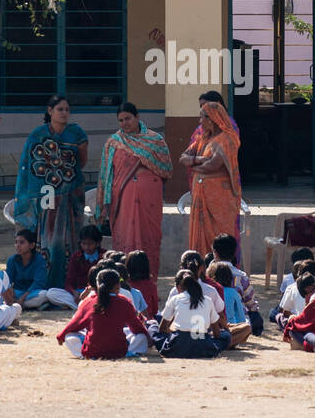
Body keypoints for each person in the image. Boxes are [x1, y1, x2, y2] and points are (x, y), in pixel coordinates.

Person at [94, 102, 172, 290]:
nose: (124, 123)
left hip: (149, 201)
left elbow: (166, 169)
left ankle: (149, 284)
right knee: (126, 238)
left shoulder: (155, 140)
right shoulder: (113, 142)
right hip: (122, 201)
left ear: (137, 117)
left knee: (149, 238)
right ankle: (124, 284)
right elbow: (106, 174)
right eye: (120, 120)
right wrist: (103, 204)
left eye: (128, 118)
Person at [14, 94, 88, 288]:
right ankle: (45, 281)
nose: (64, 113)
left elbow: (82, 162)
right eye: (60, 109)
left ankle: (68, 282)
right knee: (47, 236)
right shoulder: (37, 135)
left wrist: (64, 179)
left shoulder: (77, 134)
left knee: (70, 239)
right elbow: (29, 166)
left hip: (71, 195)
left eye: (67, 110)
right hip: (45, 194)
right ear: (50, 111)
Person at [181, 100, 242, 255]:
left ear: (212, 118)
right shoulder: (203, 138)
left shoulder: (227, 139)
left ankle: (223, 271)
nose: (200, 121)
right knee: (200, 236)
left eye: (202, 117)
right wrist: (199, 160)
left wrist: (193, 166)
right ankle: (201, 270)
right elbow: (183, 158)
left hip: (219, 198)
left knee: (220, 237)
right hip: (201, 194)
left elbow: (213, 165)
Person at [56, 269, 151, 359]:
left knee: (69, 336)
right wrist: (148, 337)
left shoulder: (89, 301)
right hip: (119, 351)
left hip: (92, 351)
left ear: (97, 284)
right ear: (118, 285)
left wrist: (61, 336)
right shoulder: (124, 301)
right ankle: (131, 351)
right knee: (141, 337)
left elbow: (75, 324)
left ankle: (81, 354)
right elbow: (136, 326)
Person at [151, 273, 231, 359]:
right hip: (202, 346)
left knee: (153, 328)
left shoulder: (175, 299)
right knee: (226, 335)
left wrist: (172, 333)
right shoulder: (208, 300)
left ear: (180, 287)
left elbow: (162, 328)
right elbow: (217, 334)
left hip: (178, 346)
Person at [212, 232, 260, 336]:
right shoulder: (241, 276)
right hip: (238, 322)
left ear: (215, 253)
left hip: (213, 320)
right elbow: (250, 302)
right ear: (234, 253)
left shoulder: (208, 274)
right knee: (254, 319)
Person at [51, 224, 102, 310]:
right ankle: (85, 306)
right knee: (51, 293)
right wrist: (74, 293)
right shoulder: (76, 257)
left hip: (95, 292)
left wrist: (90, 290)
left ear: (97, 243)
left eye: (90, 244)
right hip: (78, 293)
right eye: (84, 243)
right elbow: (68, 282)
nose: (86, 247)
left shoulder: (104, 256)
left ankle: (80, 306)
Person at [210, 262, 254, 349]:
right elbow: (241, 318)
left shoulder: (210, 290)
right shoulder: (233, 293)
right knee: (247, 327)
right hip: (227, 328)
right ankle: (228, 342)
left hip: (210, 329)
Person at [7, 228, 52, 309]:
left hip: (31, 293)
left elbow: (39, 282)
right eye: (16, 242)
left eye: (22, 242)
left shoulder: (39, 260)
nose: (17, 245)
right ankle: (24, 305)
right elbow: (7, 281)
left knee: (44, 294)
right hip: (17, 292)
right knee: (1, 293)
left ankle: (19, 305)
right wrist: (11, 291)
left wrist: (22, 298)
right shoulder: (12, 260)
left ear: (32, 245)